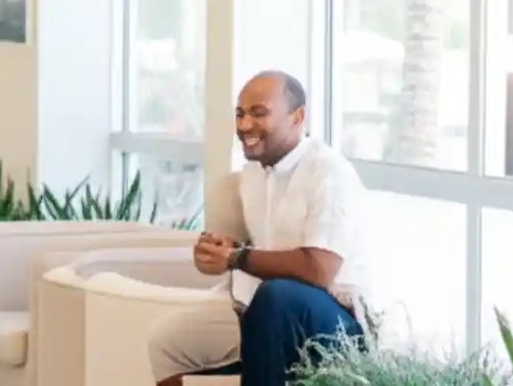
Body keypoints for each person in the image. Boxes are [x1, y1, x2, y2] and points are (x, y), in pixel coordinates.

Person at [147, 70, 373, 386]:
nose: (244, 125)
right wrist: (220, 250)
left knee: (275, 297)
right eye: (239, 114)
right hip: (265, 307)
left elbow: (319, 269)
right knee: (167, 340)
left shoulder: (329, 173)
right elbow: (261, 247)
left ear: (298, 117)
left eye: (258, 113)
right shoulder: (253, 174)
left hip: (341, 323)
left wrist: (237, 258)